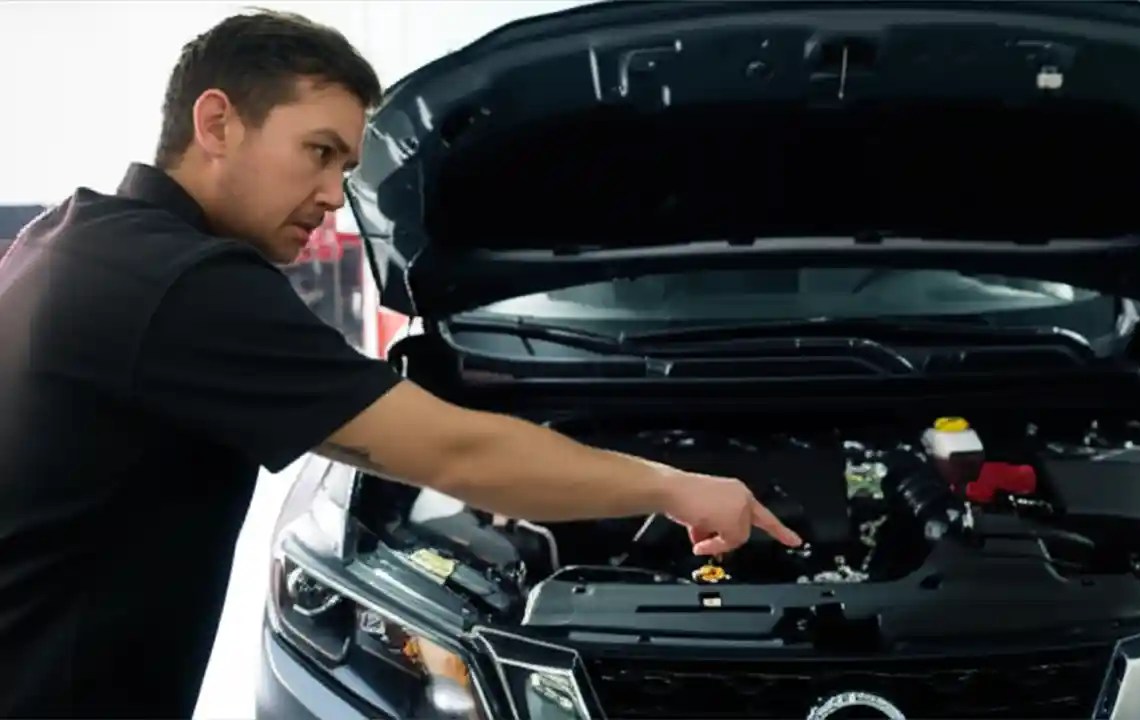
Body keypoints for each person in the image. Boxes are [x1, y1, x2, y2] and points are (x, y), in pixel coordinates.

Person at [0, 10, 801, 718]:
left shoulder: (64, 241)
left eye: (345, 169)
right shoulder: (184, 286)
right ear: (217, 122)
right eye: (317, 152)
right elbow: (458, 452)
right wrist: (672, 486)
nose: (330, 194)